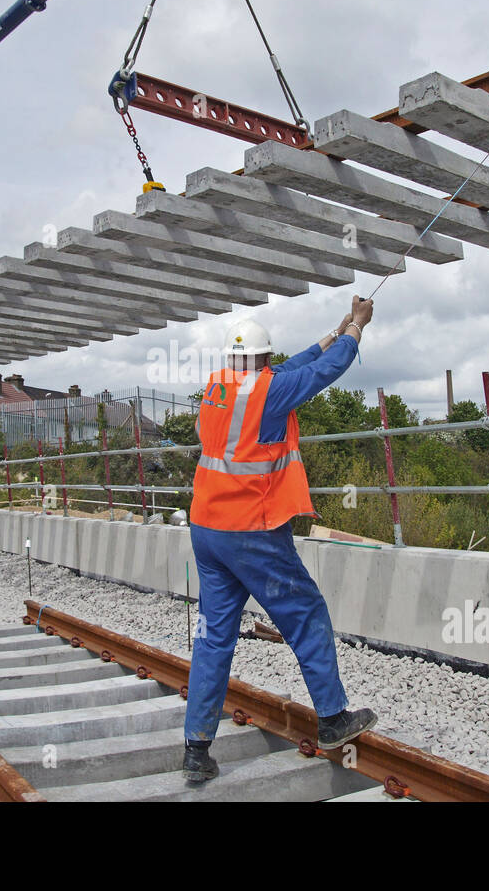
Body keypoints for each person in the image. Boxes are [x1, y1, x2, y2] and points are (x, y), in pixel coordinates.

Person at [181, 296, 378, 783]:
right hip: (252, 530)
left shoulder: (219, 387)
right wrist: (356, 328)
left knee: (213, 636)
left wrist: (332, 331)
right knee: (305, 613)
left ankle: (196, 749)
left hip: (207, 529)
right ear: (263, 361)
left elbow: (292, 368)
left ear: (234, 358)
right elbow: (321, 372)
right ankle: (332, 719)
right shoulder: (269, 392)